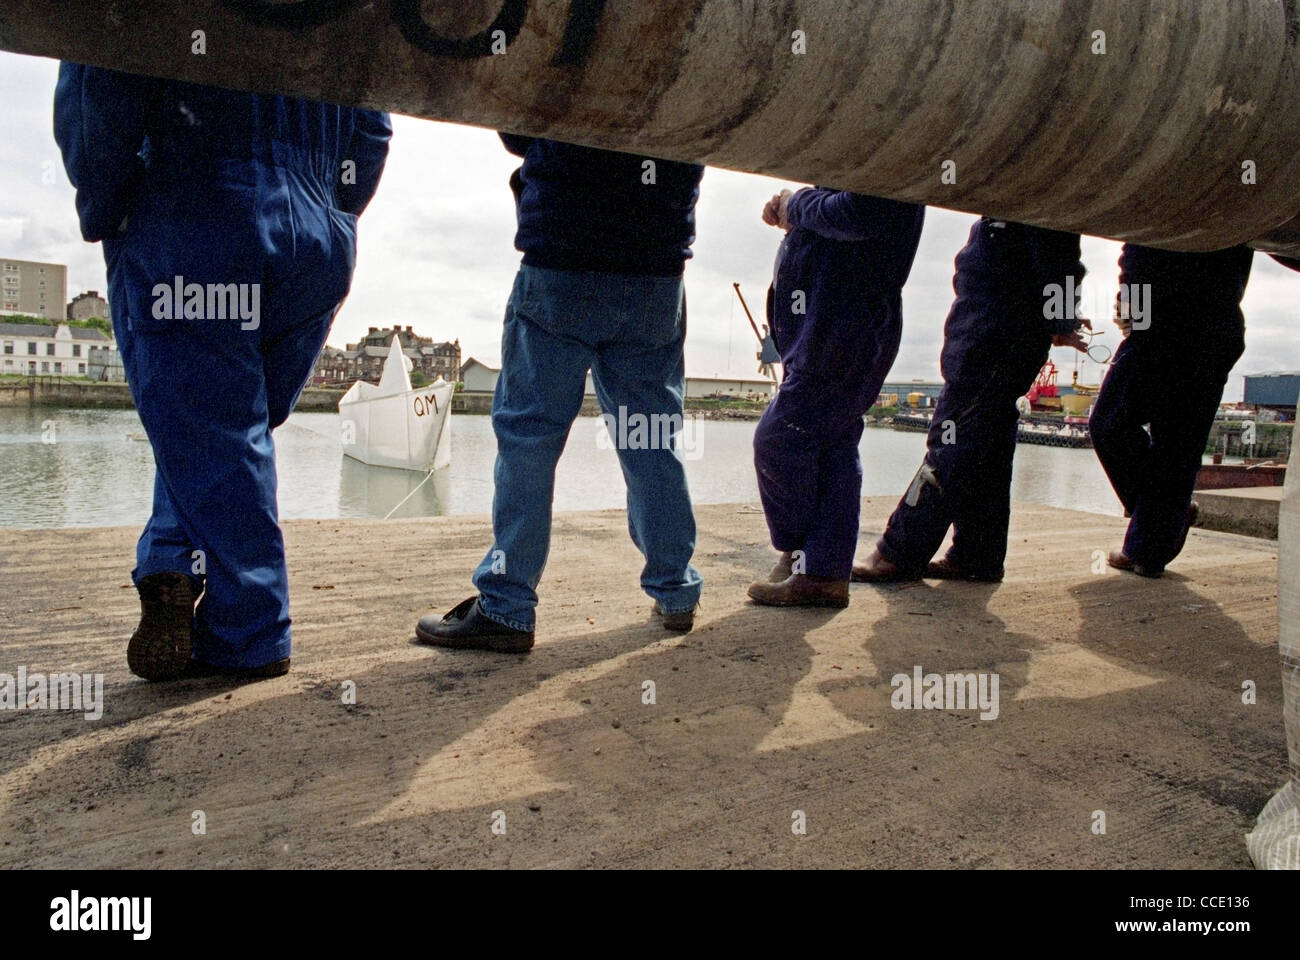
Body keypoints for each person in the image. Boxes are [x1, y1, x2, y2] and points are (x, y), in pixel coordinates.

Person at [55, 65, 390, 681]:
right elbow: (372, 126)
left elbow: (94, 81)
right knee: (224, 432)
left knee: (211, 430)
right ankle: (171, 557)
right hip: (316, 238)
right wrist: (332, 209)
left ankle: (248, 633)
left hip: (197, 206)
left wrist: (111, 207)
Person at [415, 136, 705, 653]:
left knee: (529, 438)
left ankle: (506, 608)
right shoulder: (692, 59)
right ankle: (676, 590)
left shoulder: (580, 52)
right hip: (655, 271)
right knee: (651, 438)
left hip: (563, 257)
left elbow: (517, 125)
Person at [853, 219, 1088, 584]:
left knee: (950, 442)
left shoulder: (1025, 201)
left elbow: (1059, 248)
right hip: (985, 341)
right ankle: (977, 555)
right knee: (987, 450)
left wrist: (1061, 319)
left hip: (992, 344)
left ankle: (898, 552)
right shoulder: (1005, 210)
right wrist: (1059, 319)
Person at [746, 187, 924, 607]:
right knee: (833, 448)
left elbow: (857, 214)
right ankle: (822, 572)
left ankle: (804, 554)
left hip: (840, 336)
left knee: (778, 440)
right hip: (826, 334)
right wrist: (798, 215)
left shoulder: (886, 158)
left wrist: (796, 206)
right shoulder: (856, 165)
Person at [1091, 243, 1254, 577]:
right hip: (1192, 319)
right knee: (1124, 430)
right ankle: (1162, 525)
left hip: (1194, 320)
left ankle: (1149, 548)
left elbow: (1140, 239)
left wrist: (1132, 299)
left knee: (1163, 440)